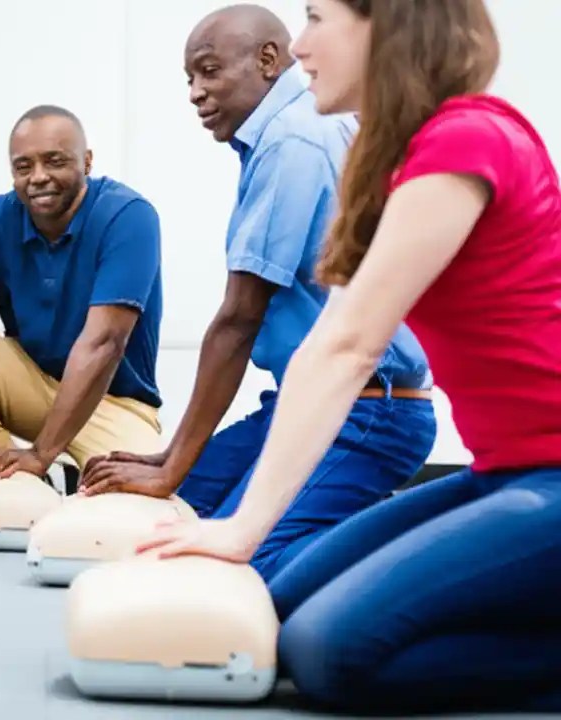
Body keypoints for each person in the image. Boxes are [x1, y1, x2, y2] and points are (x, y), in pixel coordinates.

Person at [137, 0, 561, 713]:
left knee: (329, 653)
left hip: (548, 482)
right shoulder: (404, 156)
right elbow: (332, 342)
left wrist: (243, 528)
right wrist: (242, 532)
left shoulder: (467, 140)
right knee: (281, 604)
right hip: (506, 475)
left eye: (317, 19)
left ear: (389, 25)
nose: (299, 46)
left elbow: (348, 348)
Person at [79, 4, 436, 582]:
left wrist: (171, 467)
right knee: (183, 516)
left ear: (268, 60)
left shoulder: (293, 141)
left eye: (209, 71)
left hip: (368, 411)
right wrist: (173, 460)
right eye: (189, 79)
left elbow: (240, 319)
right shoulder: (295, 133)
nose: (195, 92)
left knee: (242, 561)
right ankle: (335, 515)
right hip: (310, 403)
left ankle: (403, 551)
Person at [0, 105, 164, 483]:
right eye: (24, 167)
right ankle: (10, 479)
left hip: (111, 404)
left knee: (131, 515)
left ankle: (50, 468)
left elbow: (104, 344)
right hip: (36, 385)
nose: (38, 177)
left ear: (87, 162)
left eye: (54, 161)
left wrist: (40, 453)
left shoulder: (127, 216)